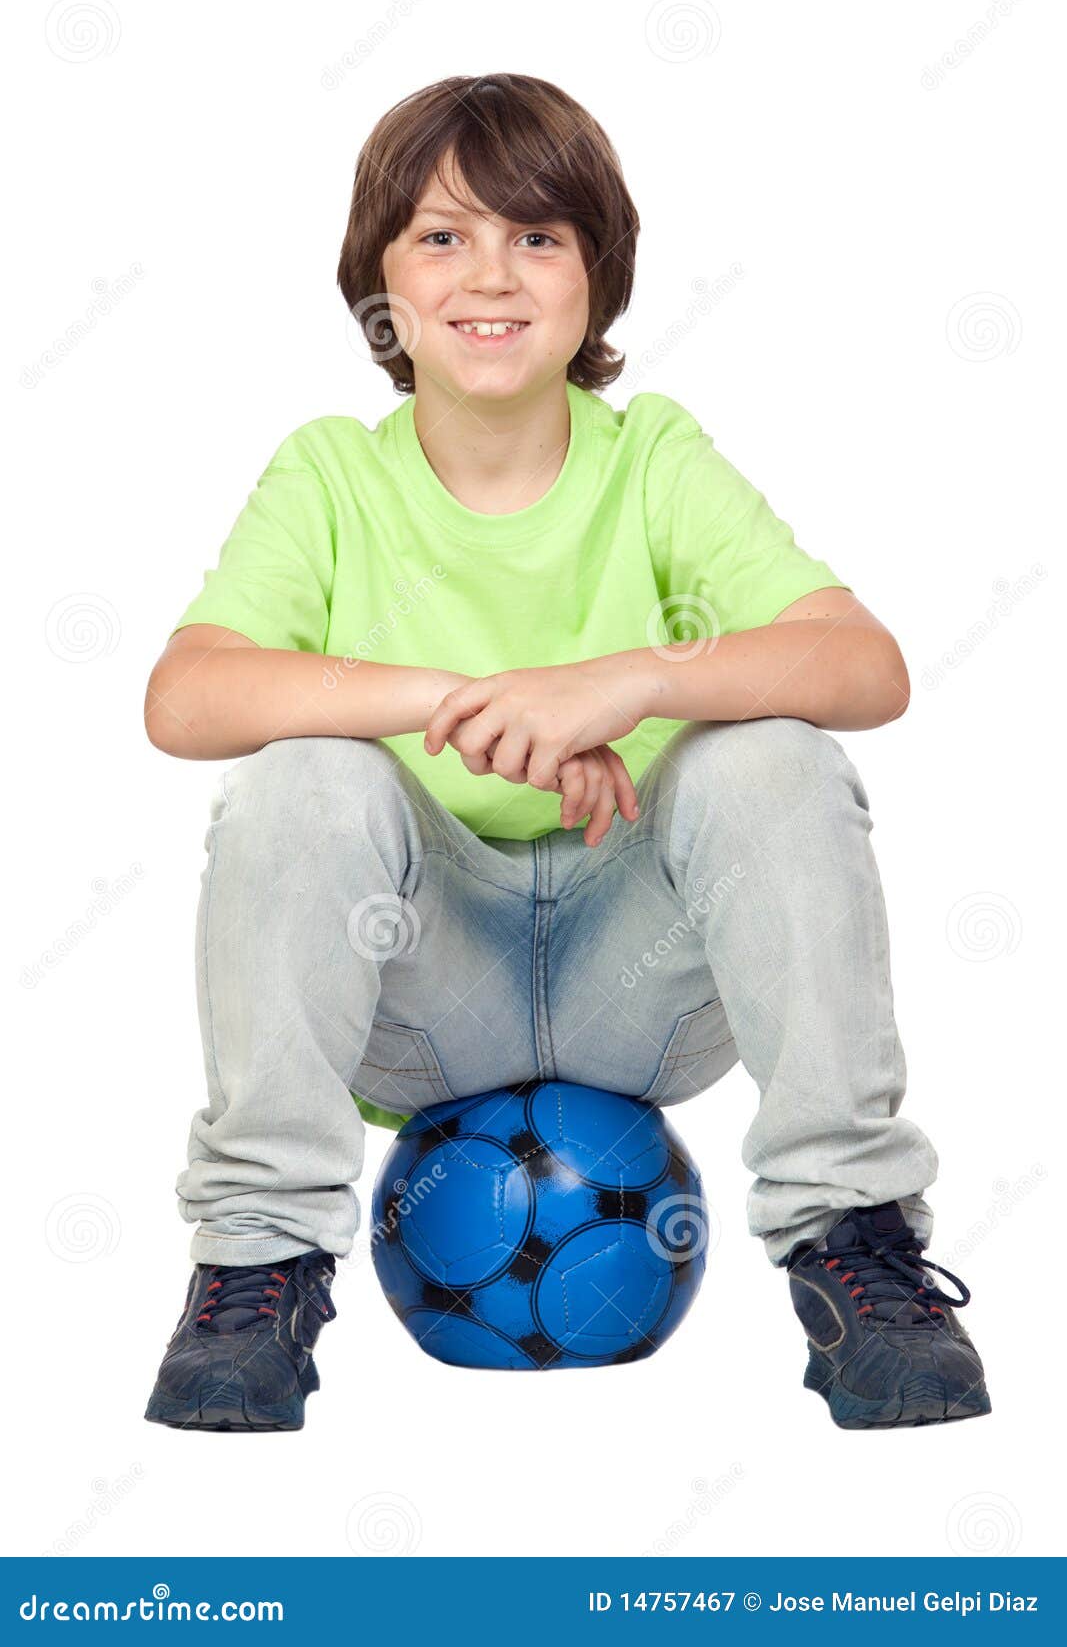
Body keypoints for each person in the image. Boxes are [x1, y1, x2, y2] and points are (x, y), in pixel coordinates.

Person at [142, 72, 990, 1433]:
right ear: (382, 286)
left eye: (538, 236)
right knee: (302, 769)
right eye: (442, 236)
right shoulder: (329, 476)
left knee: (763, 749)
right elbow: (185, 697)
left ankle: (855, 1243)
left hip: (633, 979)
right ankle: (258, 1262)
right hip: (425, 992)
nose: (492, 273)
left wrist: (630, 681)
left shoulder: (651, 456)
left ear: (598, 276)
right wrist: (460, 698)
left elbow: (864, 664)